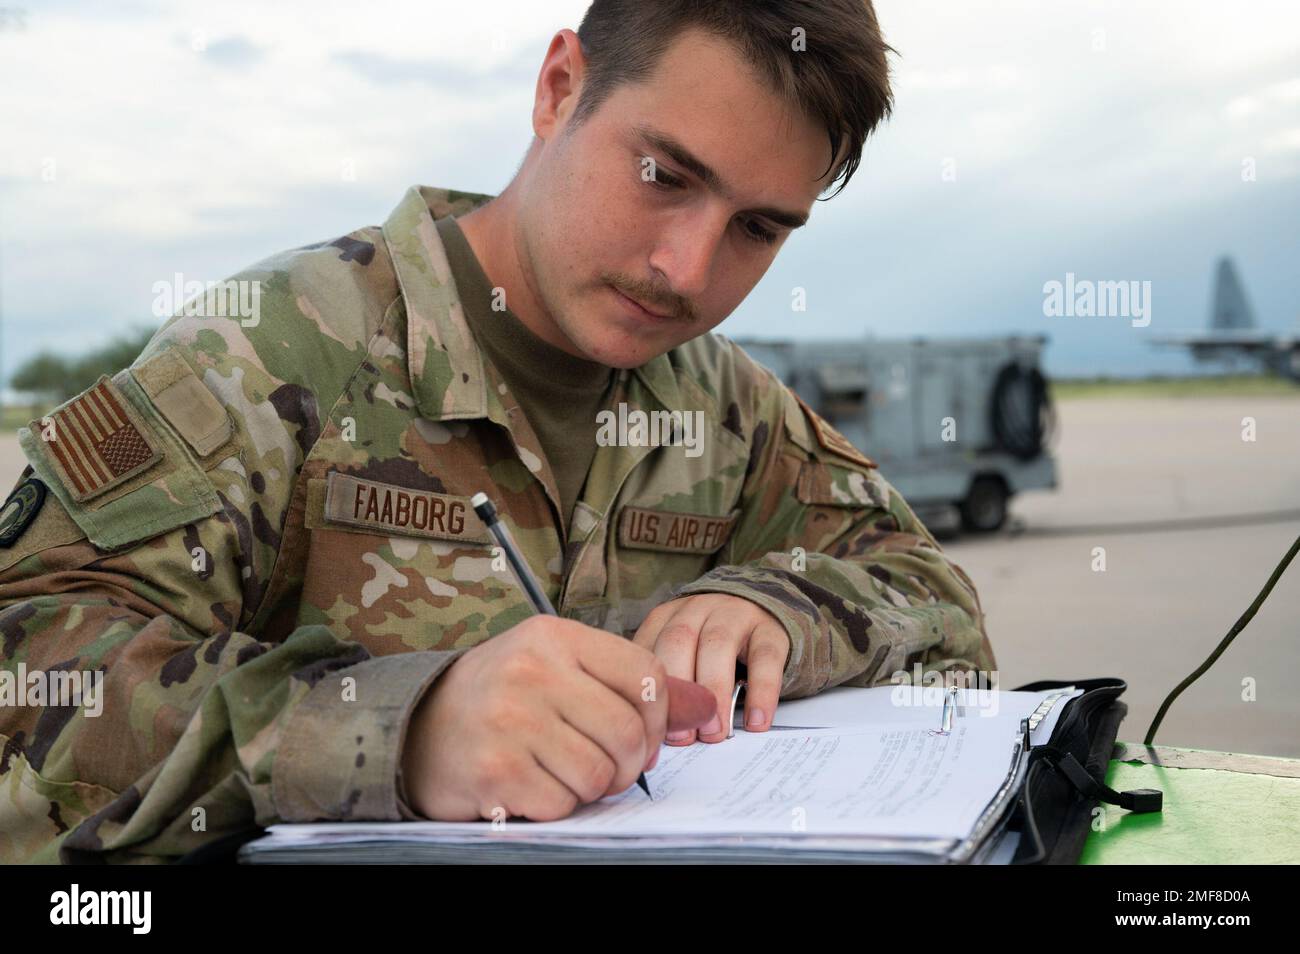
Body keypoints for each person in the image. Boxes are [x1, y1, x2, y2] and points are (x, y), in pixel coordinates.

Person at [0, 0, 994, 863]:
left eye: (758, 230)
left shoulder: (723, 405)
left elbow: (938, 605)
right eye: (661, 174)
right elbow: (28, 673)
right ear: (560, 87)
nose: (687, 270)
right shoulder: (269, 354)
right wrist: (398, 731)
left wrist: (787, 609)